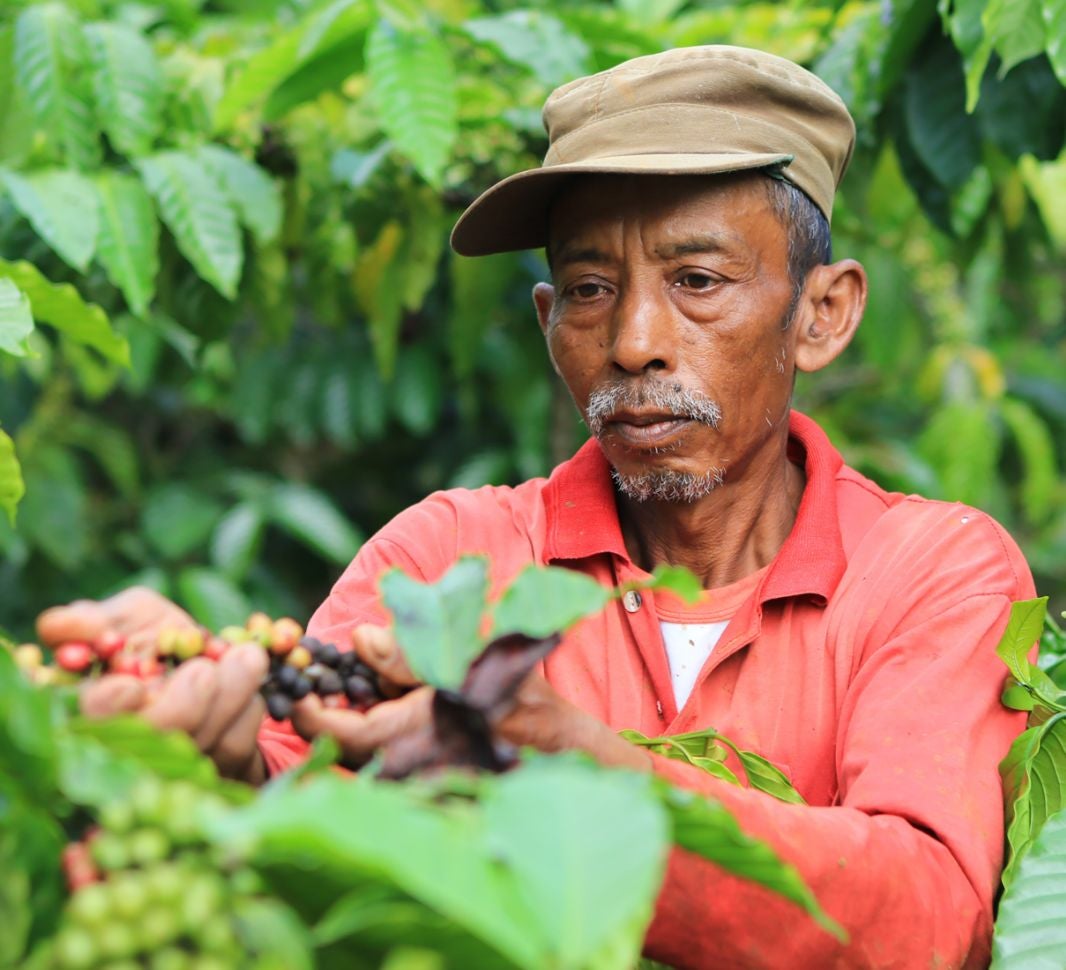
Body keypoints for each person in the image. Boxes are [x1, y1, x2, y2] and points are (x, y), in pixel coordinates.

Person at [38, 46, 1035, 969]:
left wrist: (568, 763)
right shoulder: (449, 557)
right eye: (592, 288)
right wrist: (212, 758)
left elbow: (926, 914)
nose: (636, 339)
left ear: (822, 313)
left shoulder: (932, 571)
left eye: (696, 281)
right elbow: (301, 822)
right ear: (550, 323)